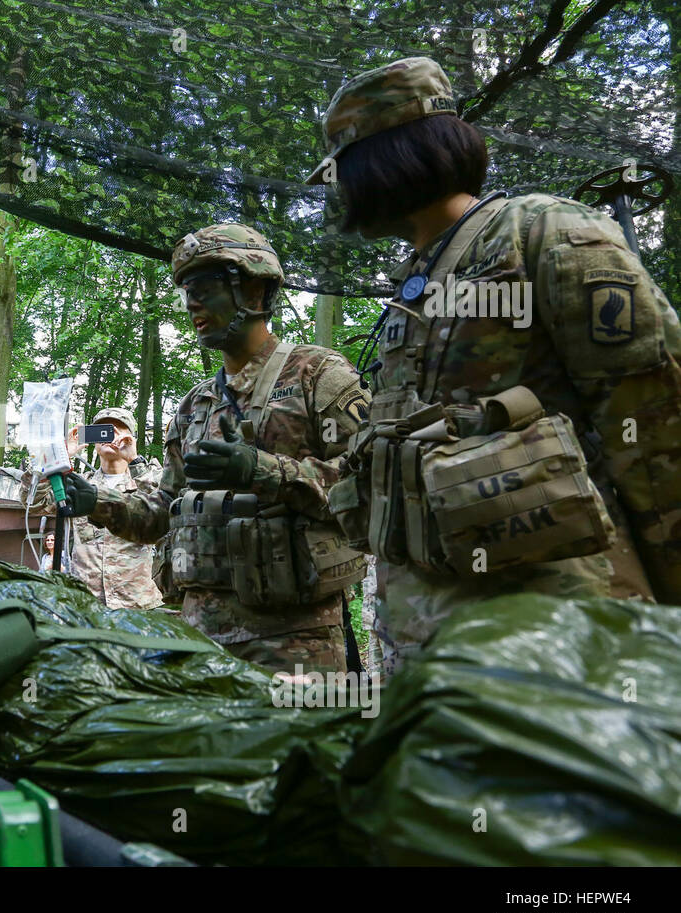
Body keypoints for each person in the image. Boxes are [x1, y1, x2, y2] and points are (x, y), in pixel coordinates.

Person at [306, 56, 681, 675]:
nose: (338, 190)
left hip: (552, 636)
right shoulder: (417, 280)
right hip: (428, 642)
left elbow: (653, 421)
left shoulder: (543, 232)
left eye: (340, 170)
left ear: (379, 162)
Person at [57, 226, 370, 671]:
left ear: (255, 290)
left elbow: (371, 483)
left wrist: (264, 471)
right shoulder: (195, 405)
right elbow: (164, 511)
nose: (191, 303)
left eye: (205, 288)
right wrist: (98, 503)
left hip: (295, 639)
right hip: (200, 640)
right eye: (186, 292)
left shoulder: (316, 374)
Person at [24, 409, 162, 609]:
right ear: (93, 440)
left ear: (131, 438)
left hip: (136, 605)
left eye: (117, 429)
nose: (109, 435)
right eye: (102, 430)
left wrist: (134, 460)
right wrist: (56, 457)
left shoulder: (145, 477)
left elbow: (166, 505)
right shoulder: (79, 486)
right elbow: (34, 503)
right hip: (87, 605)